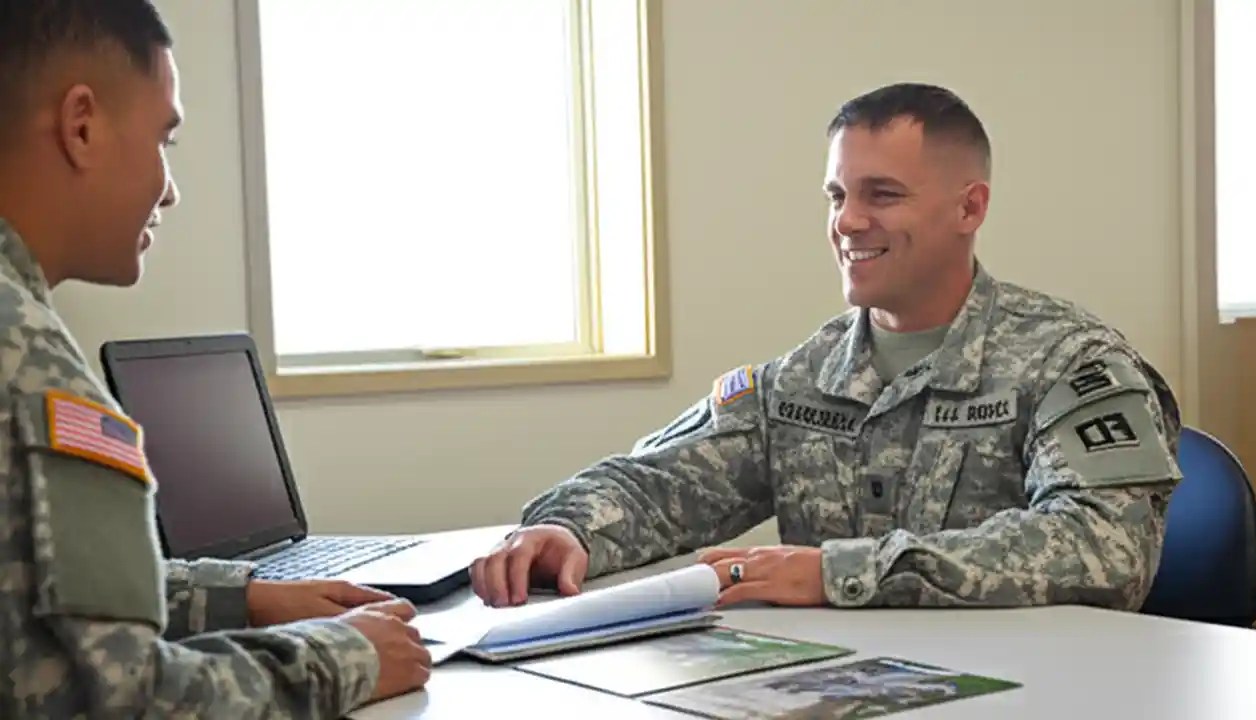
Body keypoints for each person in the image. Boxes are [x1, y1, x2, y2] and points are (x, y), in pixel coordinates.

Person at [471, 82, 1182, 613]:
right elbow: (659, 483)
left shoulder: (1070, 363)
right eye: (836, 194)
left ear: (970, 207)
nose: (848, 221)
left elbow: (1103, 550)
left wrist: (838, 572)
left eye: (883, 194)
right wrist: (569, 529)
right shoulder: (804, 377)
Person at [0, 1, 430, 716]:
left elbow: (27, 595)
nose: (168, 187)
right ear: (82, 126)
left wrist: (239, 596)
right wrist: (345, 655)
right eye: (163, 138)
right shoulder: (28, 367)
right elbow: (119, 701)